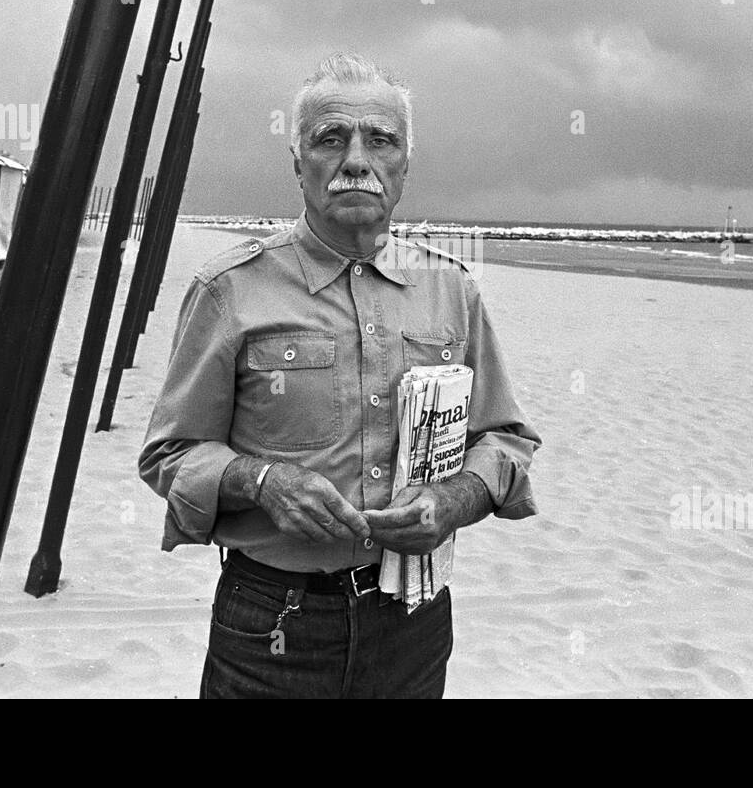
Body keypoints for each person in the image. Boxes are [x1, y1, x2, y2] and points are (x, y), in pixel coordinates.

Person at [138, 53, 541, 698]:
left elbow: (506, 442)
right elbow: (169, 455)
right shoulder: (229, 291)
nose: (357, 159)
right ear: (298, 163)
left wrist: (453, 501)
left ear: (404, 164)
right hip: (273, 619)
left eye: (380, 140)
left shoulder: (452, 290)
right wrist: (266, 482)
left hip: (413, 617)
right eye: (332, 139)